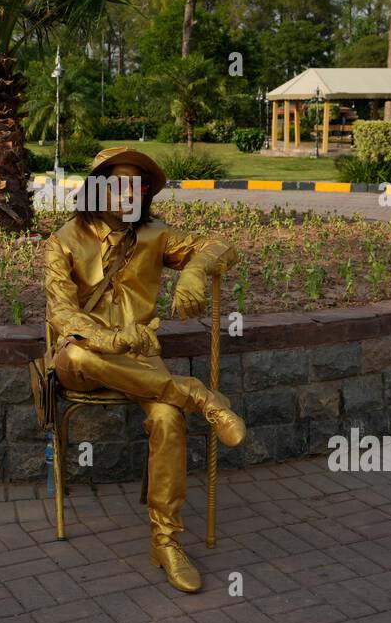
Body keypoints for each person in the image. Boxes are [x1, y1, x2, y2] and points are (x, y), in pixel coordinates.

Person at [44, 147, 244, 594]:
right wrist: (109, 339)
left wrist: (193, 274)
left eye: (137, 184)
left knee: (168, 417)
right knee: (76, 356)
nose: (127, 192)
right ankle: (197, 395)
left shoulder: (155, 235)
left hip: (140, 364)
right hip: (85, 359)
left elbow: (221, 247)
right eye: (117, 183)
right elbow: (60, 313)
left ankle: (166, 540)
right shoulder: (64, 240)